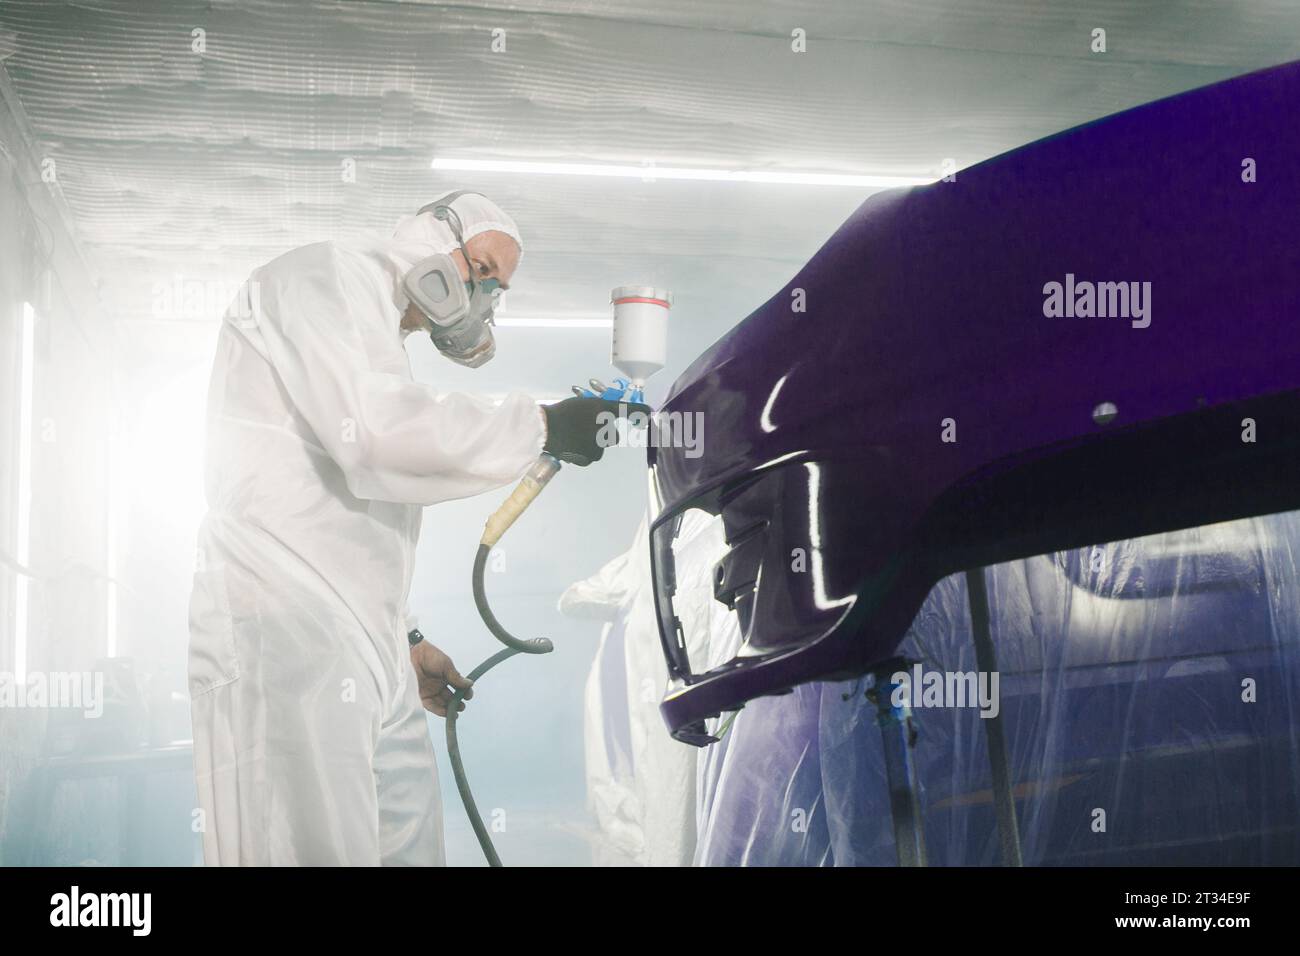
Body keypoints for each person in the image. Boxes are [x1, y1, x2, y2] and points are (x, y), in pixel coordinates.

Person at [188, 190, 624, 865]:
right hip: (279, 631)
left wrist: (406, 637)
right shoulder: (324, 277)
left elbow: (358, 513)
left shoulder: (376, 332)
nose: (481, 295)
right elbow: (374, 438)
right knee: (308, 847)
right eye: (479, 269)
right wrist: (541, 423)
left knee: (407, 838)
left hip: (363, 641)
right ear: (428, 234)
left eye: (496, 290)